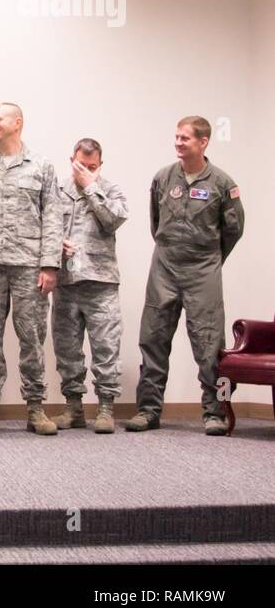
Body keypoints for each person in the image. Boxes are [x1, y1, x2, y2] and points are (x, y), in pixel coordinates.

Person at [128, 116, 244, 435]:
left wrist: (208, 259)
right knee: (152, 338)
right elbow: (156, 223)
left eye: (185, 139)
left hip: (202, 269)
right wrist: (172, 250)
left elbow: (233, 230)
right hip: (164, 266)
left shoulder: (222, 183)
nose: (178, 143)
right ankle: (148, 410)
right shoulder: (163, 178)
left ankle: (215, 411)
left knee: (210, 345)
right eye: (176, 137)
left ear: (203, 142)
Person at [0, 103, 63, 436]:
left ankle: (36, 407)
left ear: (17, 123)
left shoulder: (42, 167)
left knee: (32, 338)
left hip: (28, 266)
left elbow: (52, 217)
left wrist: (49, 264)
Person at [50, 138, 128, 435]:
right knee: (67, 347)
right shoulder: (57, 192)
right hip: (67, 283)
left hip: (101, 282)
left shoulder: (110, 190)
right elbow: (44, 229)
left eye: (92, 167)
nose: (86, 170)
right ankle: (74, 409)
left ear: (100, 165)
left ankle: (106, 407)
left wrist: (91, 186)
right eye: (81, 165)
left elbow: (113, 220)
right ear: (72, 160)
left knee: (106, 346)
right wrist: (58, 245)